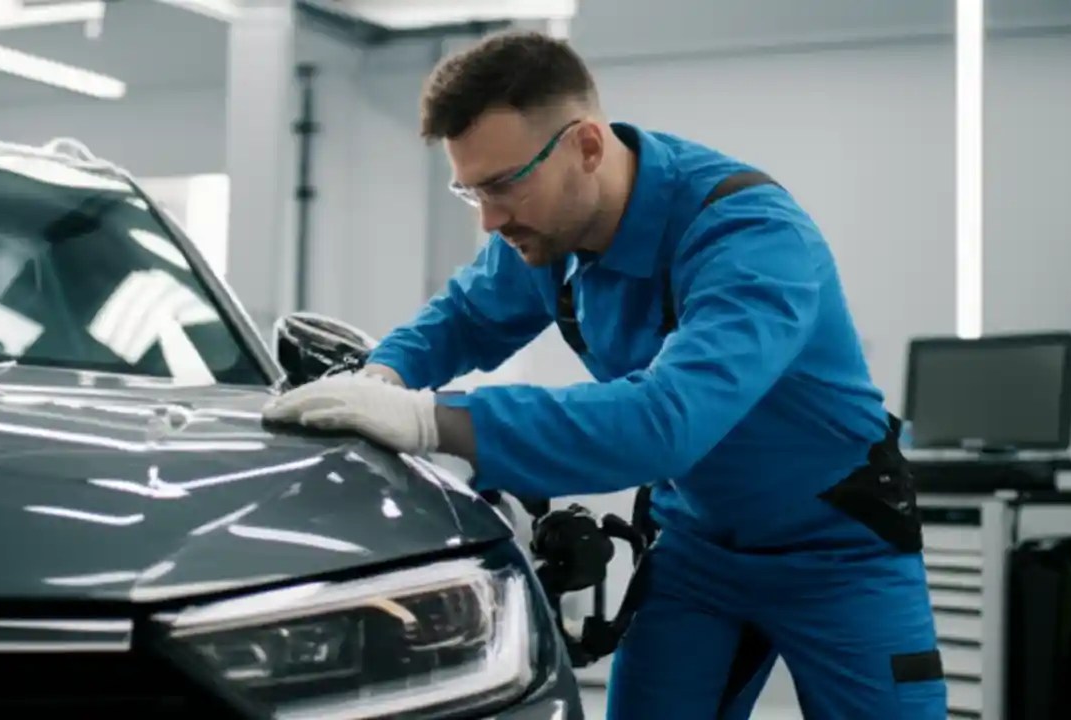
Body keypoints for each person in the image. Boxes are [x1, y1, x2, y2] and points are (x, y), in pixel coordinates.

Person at [263, 29, 947, 719]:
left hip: (839, 548)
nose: (491, 220)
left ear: (587, 147)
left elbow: (662, 423)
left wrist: (427, 420)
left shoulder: (752, 237)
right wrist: (382, 376)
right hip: (700, 548)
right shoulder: (544, 233)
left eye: (502, 186)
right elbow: (464, 317)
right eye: (471, 192)